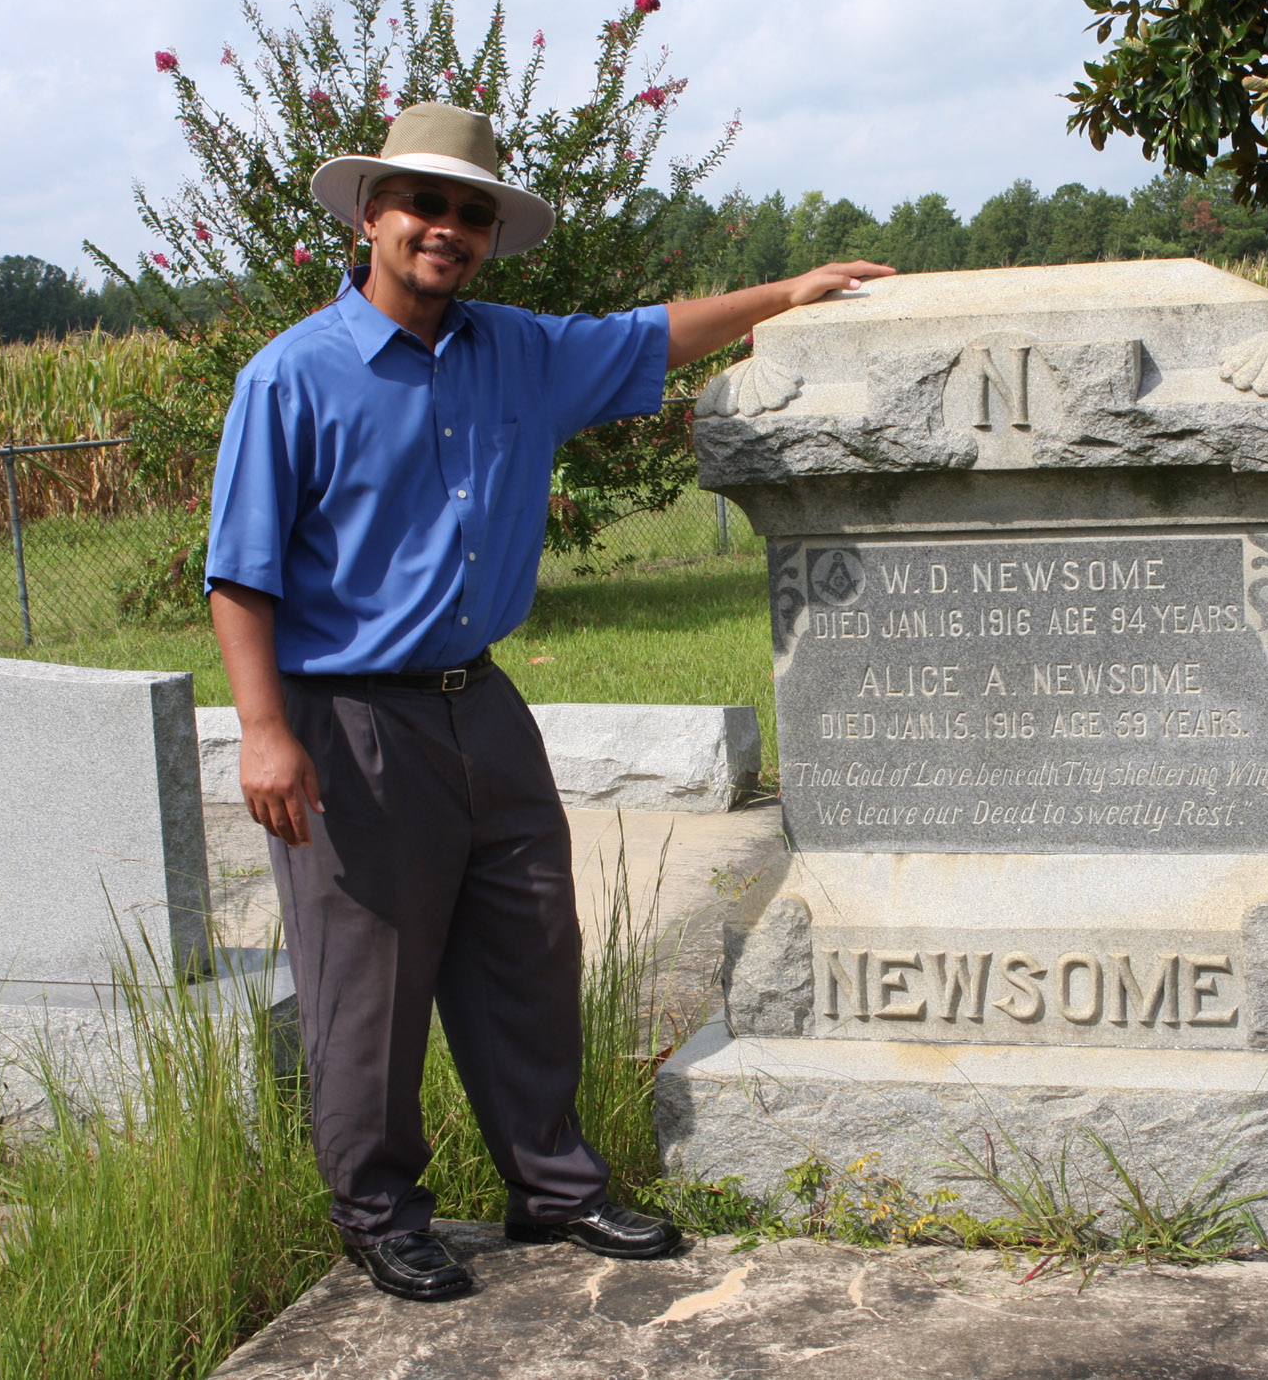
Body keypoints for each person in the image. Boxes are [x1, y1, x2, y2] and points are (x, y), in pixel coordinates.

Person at [204, 101, 892, 1303]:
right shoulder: (292, 380)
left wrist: (788, 294)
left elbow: (652, 337)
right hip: (348, 721)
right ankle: (377, 1212)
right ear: (371, 214)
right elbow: (241, 573)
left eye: (472, 213)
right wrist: (266, 732)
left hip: (485, 707)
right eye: (425, 204)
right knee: (369, 981)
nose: (448, 229)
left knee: (527, 944)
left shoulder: (516, 350)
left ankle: (554, 1186)